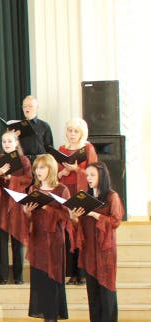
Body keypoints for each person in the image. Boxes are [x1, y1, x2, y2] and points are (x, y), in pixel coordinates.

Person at [71, 162, 123, 322]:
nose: (89, 179)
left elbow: (115, 221)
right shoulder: (86, 197)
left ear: (102, 176)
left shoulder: (111, 196)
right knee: (92, 291)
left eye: (92, 175)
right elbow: (81, 225)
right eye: (87, 176)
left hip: (105, 249)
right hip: (89, 249)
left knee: (106, 289)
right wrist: (76, 217)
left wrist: (95, 214)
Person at [23, 154, 71, 322]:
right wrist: (27, 211)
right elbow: (28, 217)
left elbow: (66, 216)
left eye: (42, 168)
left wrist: (47, 208)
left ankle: (53, 320)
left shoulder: (61, 190)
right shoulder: (33, 189)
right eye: (36, 168)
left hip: (53, 240)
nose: (38, 171)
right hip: (37, 239)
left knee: (52, 279)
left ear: (51, 169)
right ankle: (45, 318)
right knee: (40, 279)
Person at [0, 131, 32, 285]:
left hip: (17, 203)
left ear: (16, 143)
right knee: (1, 241)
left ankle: (18, 277)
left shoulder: (23, 160)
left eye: (9, 141)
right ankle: (3, 277)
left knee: (17, 240)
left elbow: (28, 179)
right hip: (1, 204)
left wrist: (11, 178)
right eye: (4, 141)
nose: (6, 144)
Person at [58, 118, 98, 285]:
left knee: (82, 231)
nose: (72, 134)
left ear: (81, 133)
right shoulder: (61, 149)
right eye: (70, 130)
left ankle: (82, 273)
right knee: (68, 232)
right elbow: (56, 175)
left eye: (76, 131)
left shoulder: (88, 148)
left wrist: (77, 170)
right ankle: (72, 272)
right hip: (66, 192)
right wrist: (63, 173)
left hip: (82, 193)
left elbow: (95, 172)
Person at [19, 96, 54, 161]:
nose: (27, 108)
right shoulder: (18, 126)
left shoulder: (44, 126)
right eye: (24, 106)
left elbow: (50, 149)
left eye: (30, 106)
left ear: (37, 107)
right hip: (23, 163)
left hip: (39, 163)